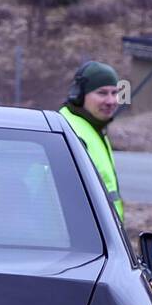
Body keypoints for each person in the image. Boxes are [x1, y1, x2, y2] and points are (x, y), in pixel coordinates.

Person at [59, 61, 124, 223]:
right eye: (102, 93)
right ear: (78, 95)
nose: (111, 101)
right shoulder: (69, 131)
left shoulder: (93, 128)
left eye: (114, 93)